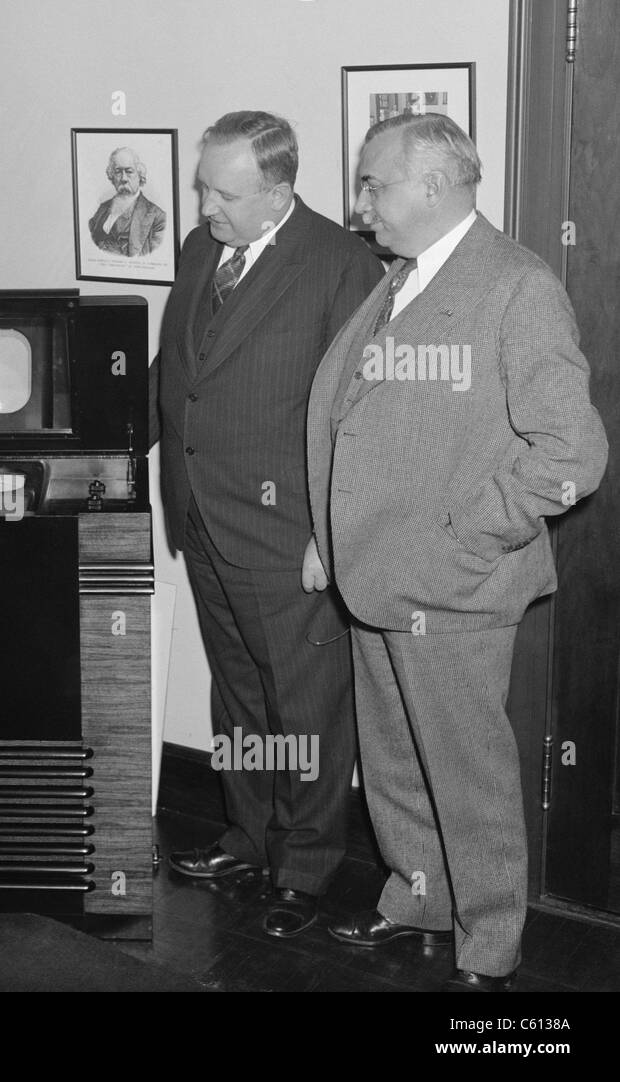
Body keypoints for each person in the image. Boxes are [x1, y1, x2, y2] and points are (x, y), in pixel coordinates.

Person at [307, 113, 607, 990]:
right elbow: (361, 420)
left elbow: (571, 456)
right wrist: (332, 535)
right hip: (374, 572)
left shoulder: (517, 284)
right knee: (396, 759)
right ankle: (421, 899)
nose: (361, 207)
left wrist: (460, 544)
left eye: (374, 185)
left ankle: (490, 946)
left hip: (451, 587)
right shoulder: (399, 276)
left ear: (434, 185)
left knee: (466, 777)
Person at [152, 111, 382, 938]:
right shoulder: (201, 247)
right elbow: (177, 370)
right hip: (204, 517)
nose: (205, 204)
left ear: (279, 191)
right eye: (202, 185)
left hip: (288, 535)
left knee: (306, 705)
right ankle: (249, 837)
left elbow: (360, 414)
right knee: (242, 695)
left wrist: (331, 530)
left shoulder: (341, 265)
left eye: (224, 191)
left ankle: (307, 865)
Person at [89, 147, 167, 257]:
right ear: (112, 175)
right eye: (118, 172)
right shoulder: (102, 209)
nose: (124, 178)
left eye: (129, 171)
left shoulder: (157, 217)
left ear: (140, 175)